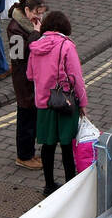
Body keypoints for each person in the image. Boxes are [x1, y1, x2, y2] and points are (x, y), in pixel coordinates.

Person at [26, 11, 89, 195]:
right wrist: (83, 103)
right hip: (65, 101)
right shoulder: (67, 46)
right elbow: (76, 77)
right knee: (67, 144)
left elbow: (30, 75)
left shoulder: (35, 46)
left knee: (48, 145)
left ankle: (49, 184)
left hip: (44, 102)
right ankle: (71, 185)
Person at [7, 0, 47, 170]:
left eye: (42, 13)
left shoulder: (32, 24)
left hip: (34, 77)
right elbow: (17, 56)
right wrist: (36, 35)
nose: (39, 17)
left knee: (32, 116)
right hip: (23, 80)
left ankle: (29, 152)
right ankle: (24, 156)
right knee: (26, 118)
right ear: (26, 10)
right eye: (36, 13)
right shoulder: (15, 28)